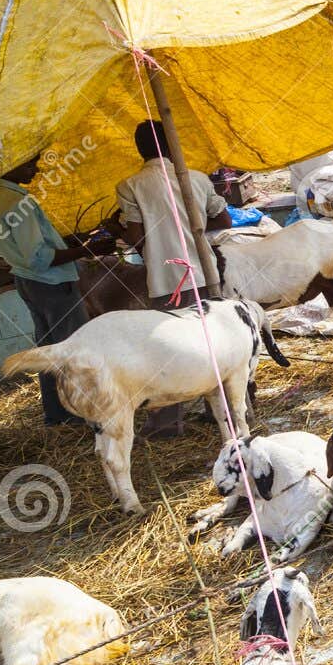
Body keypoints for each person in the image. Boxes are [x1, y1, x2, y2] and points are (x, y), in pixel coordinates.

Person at [117, 120, 232, 435]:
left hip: (166, 279)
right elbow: (224, 219)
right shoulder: (195, 178)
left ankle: (167, 425)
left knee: (168, 350)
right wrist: (190, 231)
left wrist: (122, 232)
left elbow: (136, 237)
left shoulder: (130, 185)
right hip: (205, 273)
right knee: (215, 342)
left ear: (139, 149)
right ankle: (224, 412)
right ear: (171, 145)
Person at [0, 152, 117, 425]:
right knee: (74, 346)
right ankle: (84, 413)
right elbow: (40, 257)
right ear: (13, 162)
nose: (36, 169)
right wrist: (87, 250)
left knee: (48, 349)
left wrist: (80, 240)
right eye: (31, 162)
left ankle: (56, 414)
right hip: (51, 283)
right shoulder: (16, 201)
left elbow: (37, 247)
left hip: (27, 281)